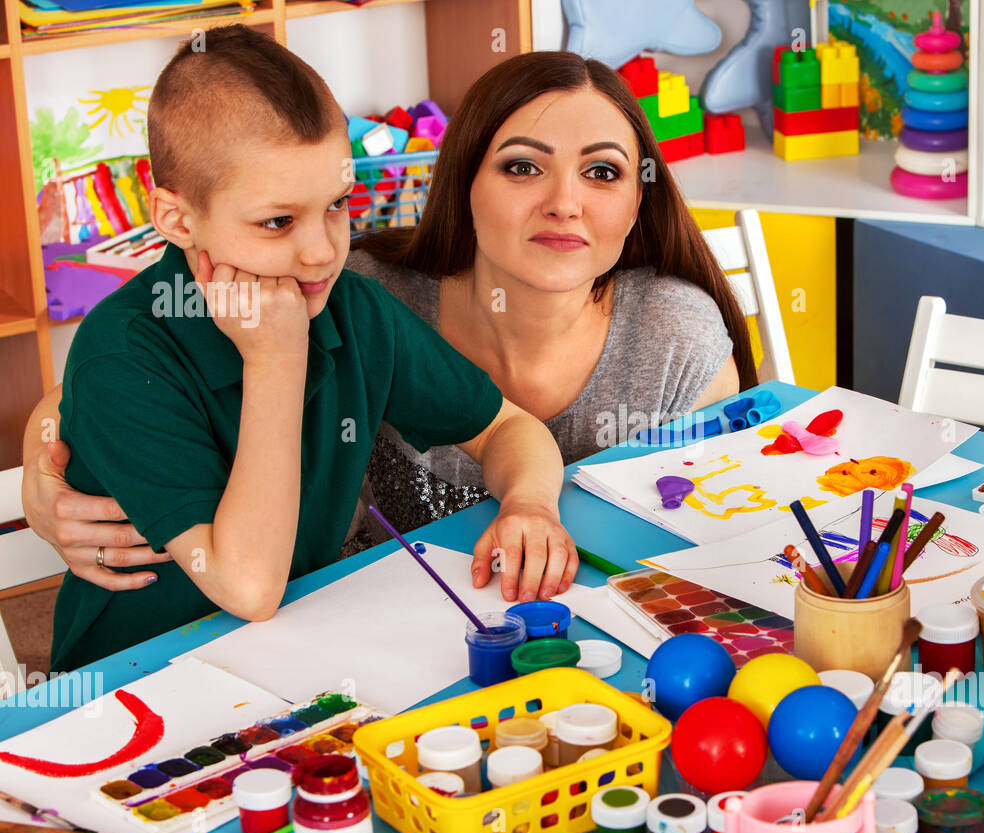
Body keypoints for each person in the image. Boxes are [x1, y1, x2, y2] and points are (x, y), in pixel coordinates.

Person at [22, 51, 755, 592]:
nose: (566, 203)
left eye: (603, 172)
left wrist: (530, 501)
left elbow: (740, 533)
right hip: (243, 658)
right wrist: (43, 468)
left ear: (638, 200)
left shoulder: (673, 334)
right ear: (462, 180)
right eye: (523, 168)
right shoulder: (367, 288)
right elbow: (106, 382)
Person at [39, 27, 574, 672]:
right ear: (179, 220)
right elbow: (248, 587)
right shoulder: (123, 355)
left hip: (302, 647)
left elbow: (505, 428)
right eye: (277, 222)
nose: (322, 250)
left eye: (337, 205)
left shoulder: (353, 307)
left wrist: (530, 503)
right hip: (141, 683)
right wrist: (275, 360)